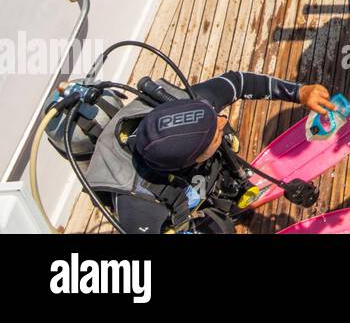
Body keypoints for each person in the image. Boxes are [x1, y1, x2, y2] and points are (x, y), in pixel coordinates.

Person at [76, 69, 336, 234]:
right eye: (214, 133)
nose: (222, 121)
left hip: (193, 175)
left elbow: (237, 83)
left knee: (228, 148)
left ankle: (228, 188)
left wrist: (299, 92)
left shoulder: (188, 105)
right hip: (172, 209)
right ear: (186, 162)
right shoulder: (139, 208)